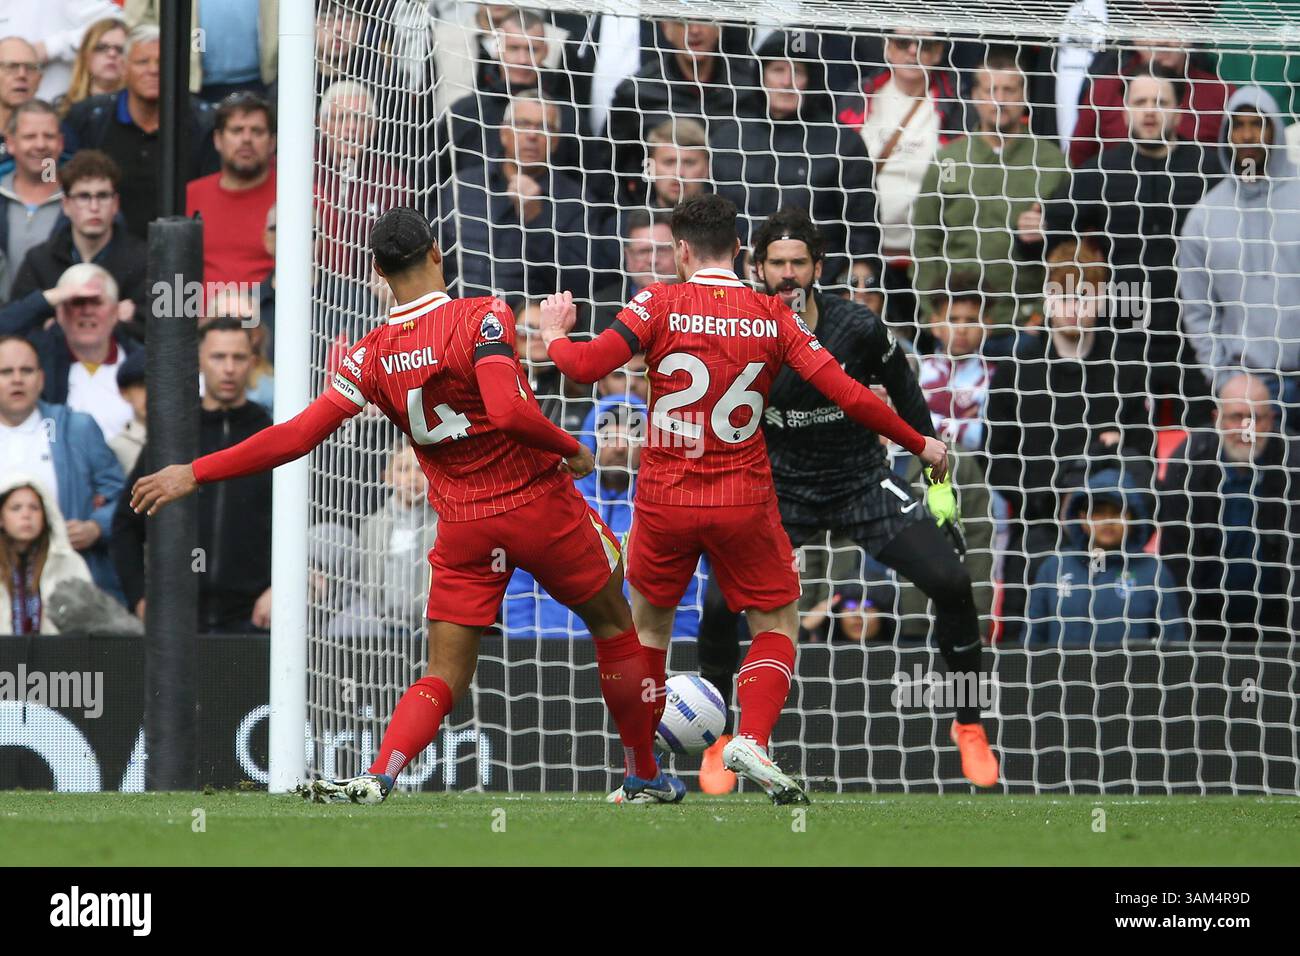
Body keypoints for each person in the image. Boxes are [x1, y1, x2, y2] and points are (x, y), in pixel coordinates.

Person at [129, 206, 682, 806]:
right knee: (614, 625)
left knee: (443, 674)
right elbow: (506, 409)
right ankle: (643, 773)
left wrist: (195, 470)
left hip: (464, 527)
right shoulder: (483, 315)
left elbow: (296, 436)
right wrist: (573, 448)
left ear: (377, 271)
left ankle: (380, 773)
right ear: (437, 253)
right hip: (538, 505)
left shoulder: (366, 356)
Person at [540, 194, 951, 804]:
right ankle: (751, 738)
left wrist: (552, 335)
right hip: (744, 499)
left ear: (681, 251)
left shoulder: (657, 301)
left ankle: (642, 772)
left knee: (646, 631)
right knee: (775, 625)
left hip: (665, 500)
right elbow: (851, 393)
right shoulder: (772, 315)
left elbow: (584, 365)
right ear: (739, 251)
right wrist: (921, 442)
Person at [673, 207, 994, 794]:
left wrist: (936, 477)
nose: (789, 275)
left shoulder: (857, 328)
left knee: (951, 582)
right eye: (778, 264)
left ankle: (969, 724)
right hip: (777, 492)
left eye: (800, 263)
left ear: (818, 268)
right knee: (719, 606)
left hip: (859, 483)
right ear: (756, 267)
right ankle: (719, 739)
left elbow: (903, 389)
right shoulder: (739, 327)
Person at [986, 238, 1152, 640]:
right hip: (1037, 525)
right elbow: (996, 455)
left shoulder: (1124, 369)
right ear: (1046, 298)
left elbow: (1144, 456)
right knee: (1023, 644)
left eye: (1085, 296)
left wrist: (1114, 458)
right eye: (1062, 296)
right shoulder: (1018, 368)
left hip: (1108, 531)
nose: (1073, 306)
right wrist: (1040, 498)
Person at [1038, 65, 1220, 427]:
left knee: (1203, 442)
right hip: (1125, 329)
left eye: (1160, 101)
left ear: (1180, 109)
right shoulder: (1103, 169)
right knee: (1125, 438)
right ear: (1125, 110)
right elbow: (1053, 226)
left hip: (1197, 329)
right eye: (1140, 101)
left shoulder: (1209, 167)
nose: (1150, 110)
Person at [113, 317, 274, 632]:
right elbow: (126, 524)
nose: (229, 368)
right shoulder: (174, 436)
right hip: (178, 618)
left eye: (238, 357)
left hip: (254, 618)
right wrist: (140, 598)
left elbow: (302, 526)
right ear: (199, 361)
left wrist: (280, 589)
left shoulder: (269, 434)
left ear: (252, 363)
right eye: (218, 357)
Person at [912, 48, 1067, 348]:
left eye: (1009, 90)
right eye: (990, 90)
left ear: (1024, 95)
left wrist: (1043, 314)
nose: (999, 99)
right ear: (975, 95)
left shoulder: (1053, 163)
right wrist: (933, 314)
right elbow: (925, 244)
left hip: (1025, 326)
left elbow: (1070, 250)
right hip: (957, 327)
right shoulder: (948, 161)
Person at [710, 30, 879, 287]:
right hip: (735, 285)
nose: (787, 81)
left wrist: (857, 280)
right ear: (761, 76)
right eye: (778, 70)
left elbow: (863, 226)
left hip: (822, 288)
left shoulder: (842, 143)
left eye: (797, 71)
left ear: (811, 79)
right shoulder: (728, 139)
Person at [1178, 86, 1300, 423]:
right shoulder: (1204, 216)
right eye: (1238, 124)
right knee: (1251, 478)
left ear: (1274, 127)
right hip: (1247, 389)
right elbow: (1198, 312)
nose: (1248, 134)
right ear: (1226, 133)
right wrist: (1223, 380)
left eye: (1257, 123)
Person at [436, 91, 616, 306]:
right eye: (522, 124)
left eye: (543, 127)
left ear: (556, 140)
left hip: (527, 330)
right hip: (457, 315)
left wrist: (537, 220)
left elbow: (581, 286)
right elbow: (432, 254)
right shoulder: (463, 185)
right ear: (504, 133)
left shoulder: (577, 202)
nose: (532, 135)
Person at [1157, 373, 1300, 641]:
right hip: (1206, 627)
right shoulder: (1187, 464)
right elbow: (1177, 562)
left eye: (1257, 418)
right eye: (1236, 416)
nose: (1246, 428)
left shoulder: (1295, 462)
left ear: (1272, 421)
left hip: (1282, 627)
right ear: (1216, 419)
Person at [63, 25, 218, 239]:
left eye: (161, 62)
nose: (153, 70)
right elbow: (63, 184)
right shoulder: (89, 118)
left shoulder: (203, 122)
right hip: (108, 252)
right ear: (124, 67)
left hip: (181, 253)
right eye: (142, 62)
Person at [0, 335, 124, 601]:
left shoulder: (75, 428)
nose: (17, 379)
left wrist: (95, 527)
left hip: (66, 582)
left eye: (27, 370)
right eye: (6, 372)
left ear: (41, 379)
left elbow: (123, 497)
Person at [1028, 461, 1187, 645]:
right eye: (1099, 512)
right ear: (1081, 518)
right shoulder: (1054, 567)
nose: (1108, 521)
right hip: (1059, 674)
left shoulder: (1154, 573)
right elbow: (1033, 639)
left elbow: (1173, 644)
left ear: (1132, 518)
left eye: (1117, 512)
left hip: (1132, 674)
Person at [2, 149, 147, 337]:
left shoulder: (143, 261)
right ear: (66, 205)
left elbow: (162, 333)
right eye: (84, 197)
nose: (94, 207)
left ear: (115, 204)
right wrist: (50, 303)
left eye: (102, 196)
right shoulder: (39, 260)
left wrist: (123, 320)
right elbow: (9, 327)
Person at [1068, 37, 1231, 167]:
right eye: (1152, 27)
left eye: (1171, 27)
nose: (1161, 40)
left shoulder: (1222, 93)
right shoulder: (1102, 90)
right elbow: (1079, 162)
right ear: (1134, 36)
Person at [30, 263, 140, 441]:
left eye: (96, 302)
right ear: (60, 313)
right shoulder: (36, 365)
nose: (87, 311)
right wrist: (49, 298)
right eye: (78, 301)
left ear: (115, 312)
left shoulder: (144, 365)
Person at [185, 91, 277, 287]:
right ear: (218, 139)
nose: (246, 139)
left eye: (257, 131)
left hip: (271, 312)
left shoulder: (303, 199)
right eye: (236, 130)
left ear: (272, 143)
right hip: (201, 314)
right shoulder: (190, 196)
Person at [0, 474, 95, 636]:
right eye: (16, 508)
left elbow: (88, 622)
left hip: (54, 657)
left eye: (34, 508)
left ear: (46, 515)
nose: (26, 515)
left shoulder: (69, 562)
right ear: (1, 518)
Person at [0, 100, 66, 302]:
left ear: (61, 143)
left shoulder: (81, 200)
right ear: (10, 143)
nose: (40, 145)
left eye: (49, 136)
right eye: (30, 136)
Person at [591, 208, 676, 335]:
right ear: (628, 256)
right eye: (643, 251)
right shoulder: (599, 308)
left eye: (662, 250)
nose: (652, 260)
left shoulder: (701, 302)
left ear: (679, 253)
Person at [53, 17, 127, 117]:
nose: (112, 54)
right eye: (101, 47)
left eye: (120, 49)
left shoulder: (142, 112)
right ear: (85, 55)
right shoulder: (62, 110)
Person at [108, 348, 145, 474]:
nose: (152, 393)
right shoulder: (116, 448)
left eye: (158, 385)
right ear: (124, 393)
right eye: (141, 386)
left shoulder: (196, 436)